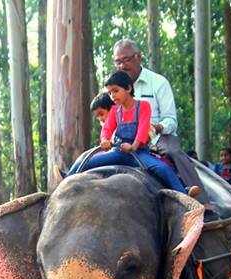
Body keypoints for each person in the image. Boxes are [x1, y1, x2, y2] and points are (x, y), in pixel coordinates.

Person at [112, 38, 207, 202]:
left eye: (126, 60)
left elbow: (170, 120)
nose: (121, 66)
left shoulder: (158, 83)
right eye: (117, 62)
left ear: (138, 57)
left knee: (173, 152)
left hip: (157, 137)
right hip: (124, 138)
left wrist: (157, 127)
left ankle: (202, 202)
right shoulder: (113, 87)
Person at [67, 71, 187, 193]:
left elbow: (143, 130)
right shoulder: (115, 110)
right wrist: (104, 140)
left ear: (128, 88)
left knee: (163, 168)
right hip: (118, 151)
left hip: (138, 154)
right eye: (109, 93)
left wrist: (133, 146)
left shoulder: (143, 106)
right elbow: (107, 128)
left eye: (115, 91)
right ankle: (58, 188)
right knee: (83, 164)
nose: (112, 96)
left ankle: (185, 197)